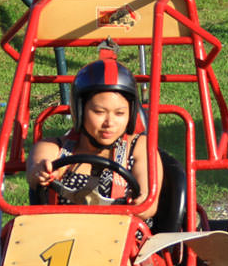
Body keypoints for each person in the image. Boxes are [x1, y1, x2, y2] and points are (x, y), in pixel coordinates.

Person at [27, 48, 162, 221]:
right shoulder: (54, 149)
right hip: (62, 238)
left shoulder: (139, 147)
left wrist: (142, 201)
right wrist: (41, 172)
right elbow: (35, 170)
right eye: (99, 112)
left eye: (119, 113)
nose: (110, 123)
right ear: (80, 111)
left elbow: (148, 203)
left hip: (123, 240)